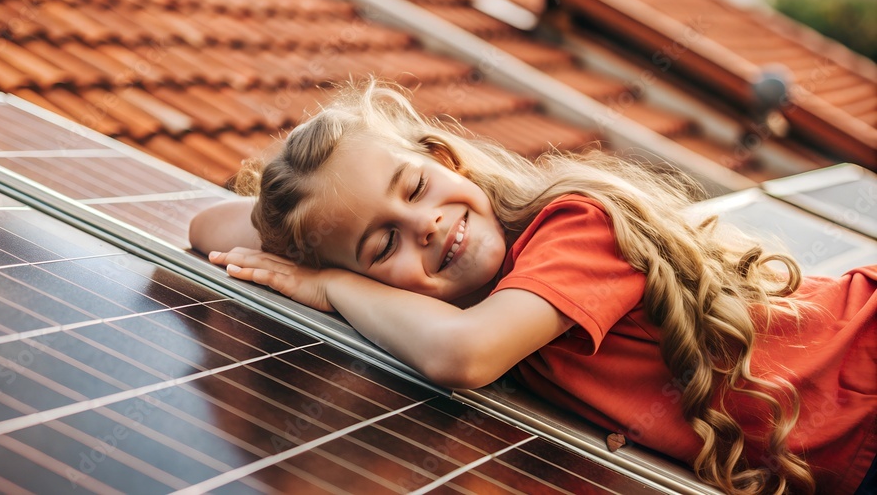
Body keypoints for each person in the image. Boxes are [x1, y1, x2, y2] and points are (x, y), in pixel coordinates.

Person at [189, 78, 876, 495]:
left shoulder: (572, 227)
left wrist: (333, 282)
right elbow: (206, 228)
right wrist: (306, 238)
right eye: (382, 242)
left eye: (417, 186)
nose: (424, 225)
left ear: (447, 159)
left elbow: (464, 355)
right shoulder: (483, 303)